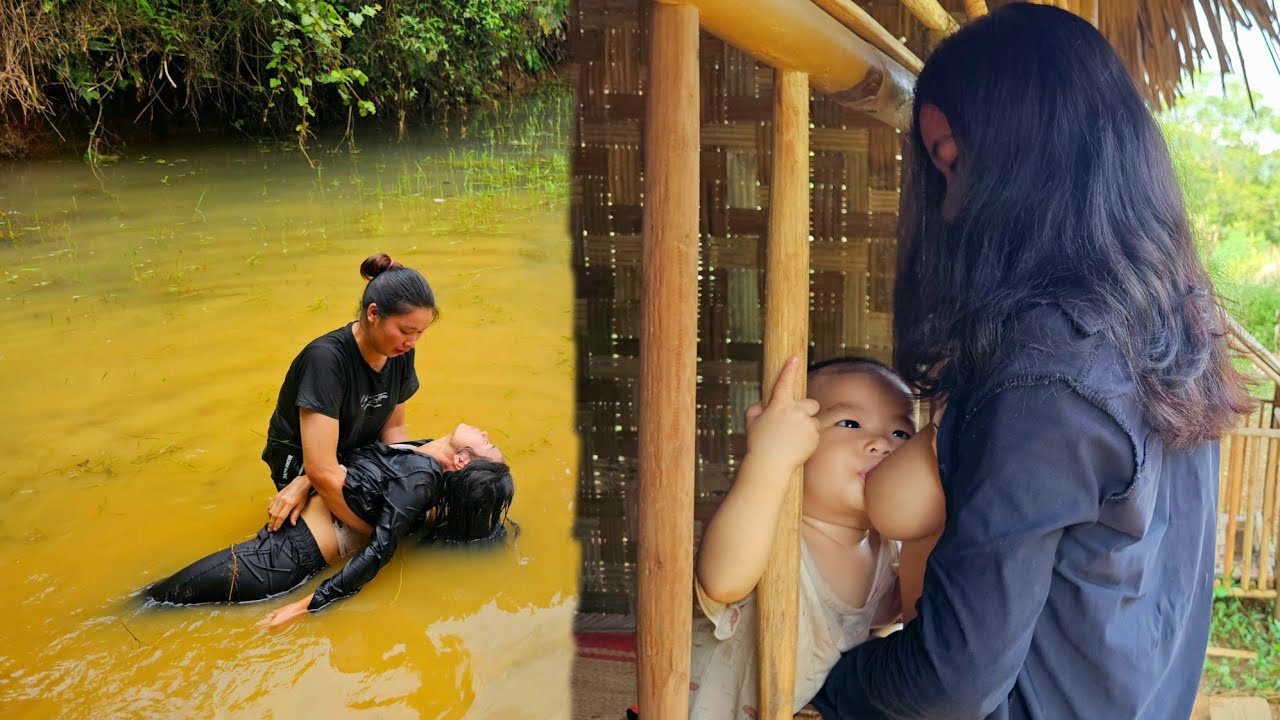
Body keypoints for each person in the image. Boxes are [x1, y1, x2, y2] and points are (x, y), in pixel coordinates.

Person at [812, 5, 1252, 719]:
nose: (949, 207)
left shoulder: (1047, 374)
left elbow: (950, 681)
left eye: (954, 164)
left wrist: (822, 687)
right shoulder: (1175, 325)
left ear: (1029, 154)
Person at [689, 356, 914, 718]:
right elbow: (723, 581)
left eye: (901, 433)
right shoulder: (770, 525)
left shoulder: (888, 545)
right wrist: (768, 460)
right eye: (850, 423)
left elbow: (890, 615)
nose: (881, 444)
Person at [147, 423, 512, 627]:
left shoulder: (419, 479)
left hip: (278, 560)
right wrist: (306, 479)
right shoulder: (419, 453)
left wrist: (304, 607)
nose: (485, 432)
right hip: (280, 551)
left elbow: (379, 551)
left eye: (488, 443)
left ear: (462, 460)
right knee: (158, 602)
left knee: (152, 602)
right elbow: (343, 462)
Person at [263, 252, 438, 538]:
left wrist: (401, 481)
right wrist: (377, 535)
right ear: (373, 314)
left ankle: (306, 484)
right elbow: (323, 471)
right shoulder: (325, 360)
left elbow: (394, 428)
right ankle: (298, 484)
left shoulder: (400, 351)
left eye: (420, 333)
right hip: (304, 461)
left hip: (351, 453)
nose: (412, 341)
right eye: (406, 330)